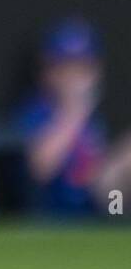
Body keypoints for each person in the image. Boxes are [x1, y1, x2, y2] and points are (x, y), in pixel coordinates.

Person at [17, 19, 131, 218]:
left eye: (82, 69)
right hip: (50, 215)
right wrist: (74, 112)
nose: (74, 78)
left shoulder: (94, 119)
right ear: (48, 72)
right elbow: (39, 169)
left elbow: (97, 176)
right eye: (65, 69)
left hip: (97, 207)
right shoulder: (36, 111)